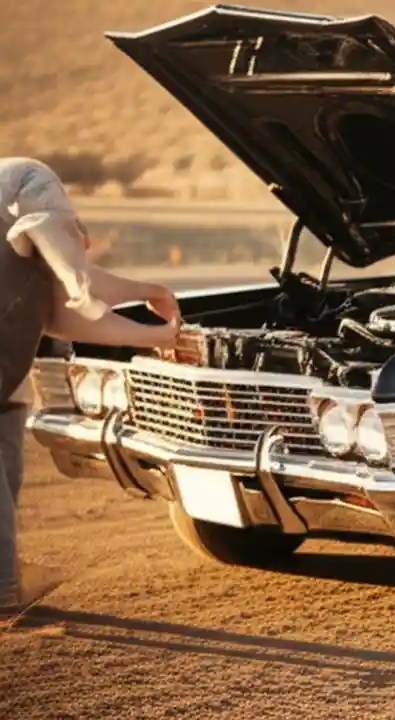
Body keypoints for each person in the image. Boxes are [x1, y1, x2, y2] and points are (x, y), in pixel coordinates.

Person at [0, 157, 181, 618]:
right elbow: (80, 286)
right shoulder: (29, 182)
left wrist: (152, 319)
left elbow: (64, 313)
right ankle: (4, 595)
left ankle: (9, 582)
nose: (85, 239)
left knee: (8, 477)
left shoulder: (28, 249)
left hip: (6, 385)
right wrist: (149, 300)